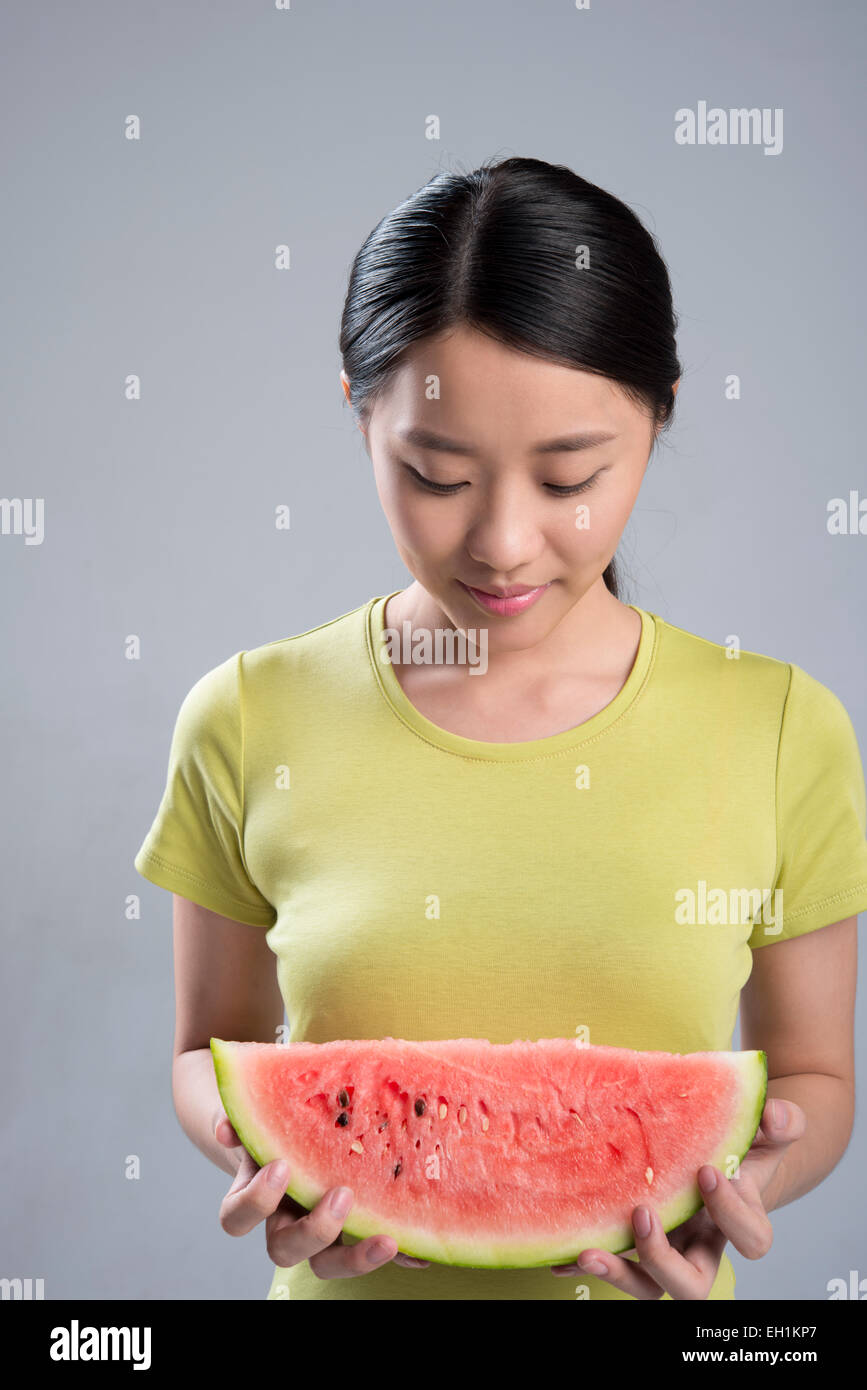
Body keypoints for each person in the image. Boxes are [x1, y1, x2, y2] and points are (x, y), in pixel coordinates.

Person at [134, 156, 867, 1301]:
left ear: (662, 408)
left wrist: (753, 1175)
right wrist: (259, 1153)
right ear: (359, 415)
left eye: (570, 473)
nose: (504, 542)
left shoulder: (780, 729)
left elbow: (819, 1075)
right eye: (437, 475)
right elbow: (210, 1052)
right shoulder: (245, 715)